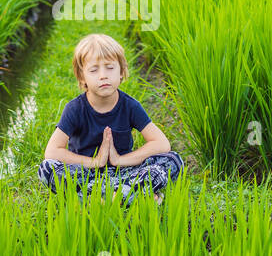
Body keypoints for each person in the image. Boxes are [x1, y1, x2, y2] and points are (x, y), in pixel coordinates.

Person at [39, 33, 184, 204]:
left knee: (173, 160)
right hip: (87, 174)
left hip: (125, 172)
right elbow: (52, 151)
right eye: (94, 70)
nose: (103, 75)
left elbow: (161, 144)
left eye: (110, 67)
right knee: (47, 168)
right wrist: (95, 162)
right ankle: (132, 197)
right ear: (82, 76)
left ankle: (99, 200)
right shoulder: (75, 109)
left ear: (121, 72)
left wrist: (119, 160)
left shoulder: (130, 106)